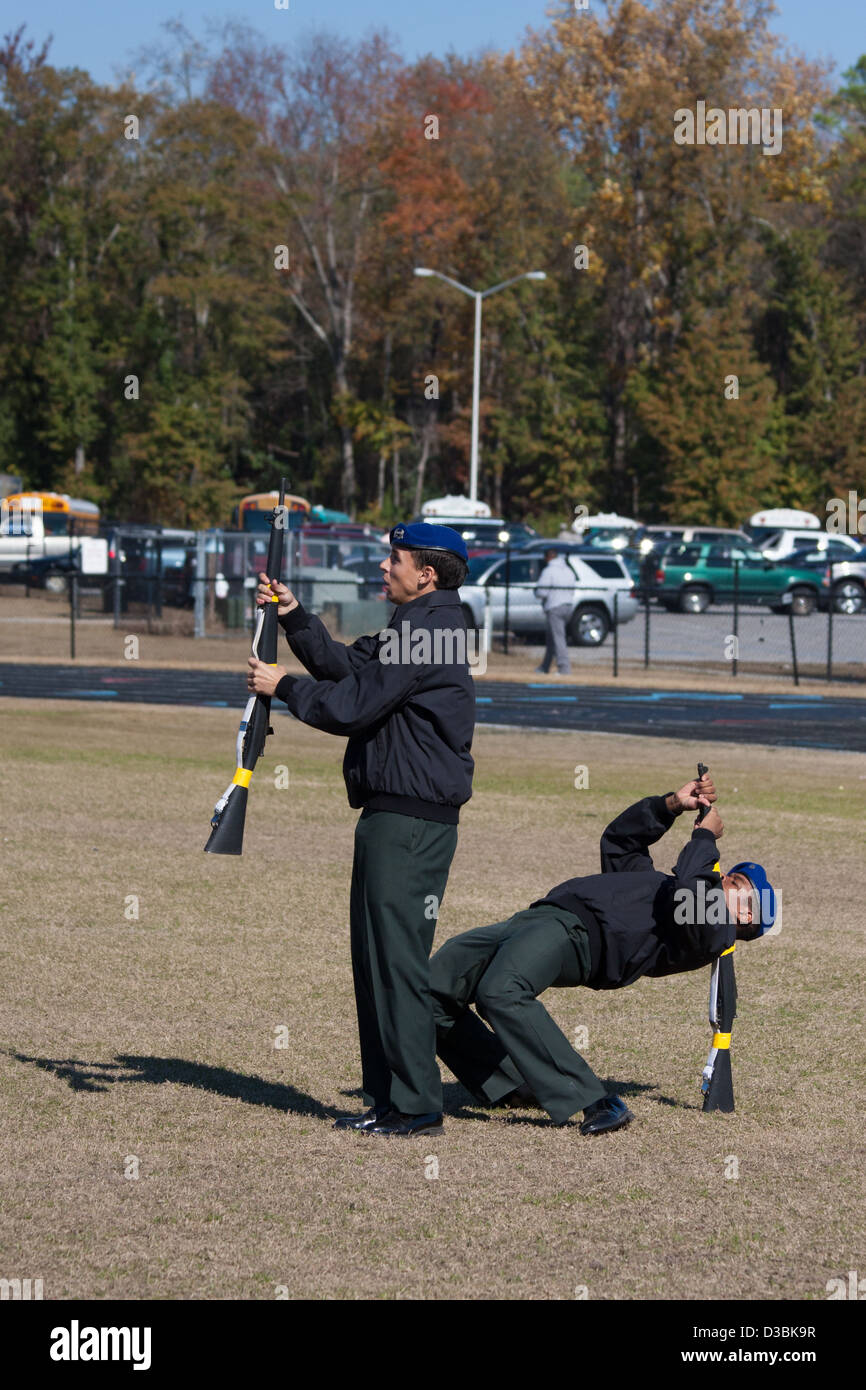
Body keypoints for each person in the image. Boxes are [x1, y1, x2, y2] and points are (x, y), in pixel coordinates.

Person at [247, 522, 474, 1138]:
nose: (383, 567)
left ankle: (417, 1106)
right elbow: (350, 670)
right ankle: (388, 1099)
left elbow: (350, 707)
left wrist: (284, 687)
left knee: (395, 963)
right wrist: (295, 617)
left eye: (393, 558)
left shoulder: (431, 633)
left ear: (426, 573)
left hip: (409, 823)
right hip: (390, 816)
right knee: (375, 961)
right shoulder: (419, 627)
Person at [429, 771, 776, 1134]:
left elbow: (691, 885)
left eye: (734, 883)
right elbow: (620, 841)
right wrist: (670, 805)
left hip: (577, 935)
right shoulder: (667, 891)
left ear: (748, 913)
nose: (722, 879)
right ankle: (510, 1086)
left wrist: (705, 836)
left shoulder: (713, 930)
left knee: (501, 990)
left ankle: (596, 1101)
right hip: (540, 917)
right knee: (434, 985)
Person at [534, 547, 578, 675]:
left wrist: (537, 592)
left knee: (558, 638)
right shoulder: (568, 570)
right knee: (552, 638)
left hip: (555, 606)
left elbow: (542, 591)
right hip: (568, 605)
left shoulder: (549, 571)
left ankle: (564, 668)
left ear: (547, 557)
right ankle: (545, 667)